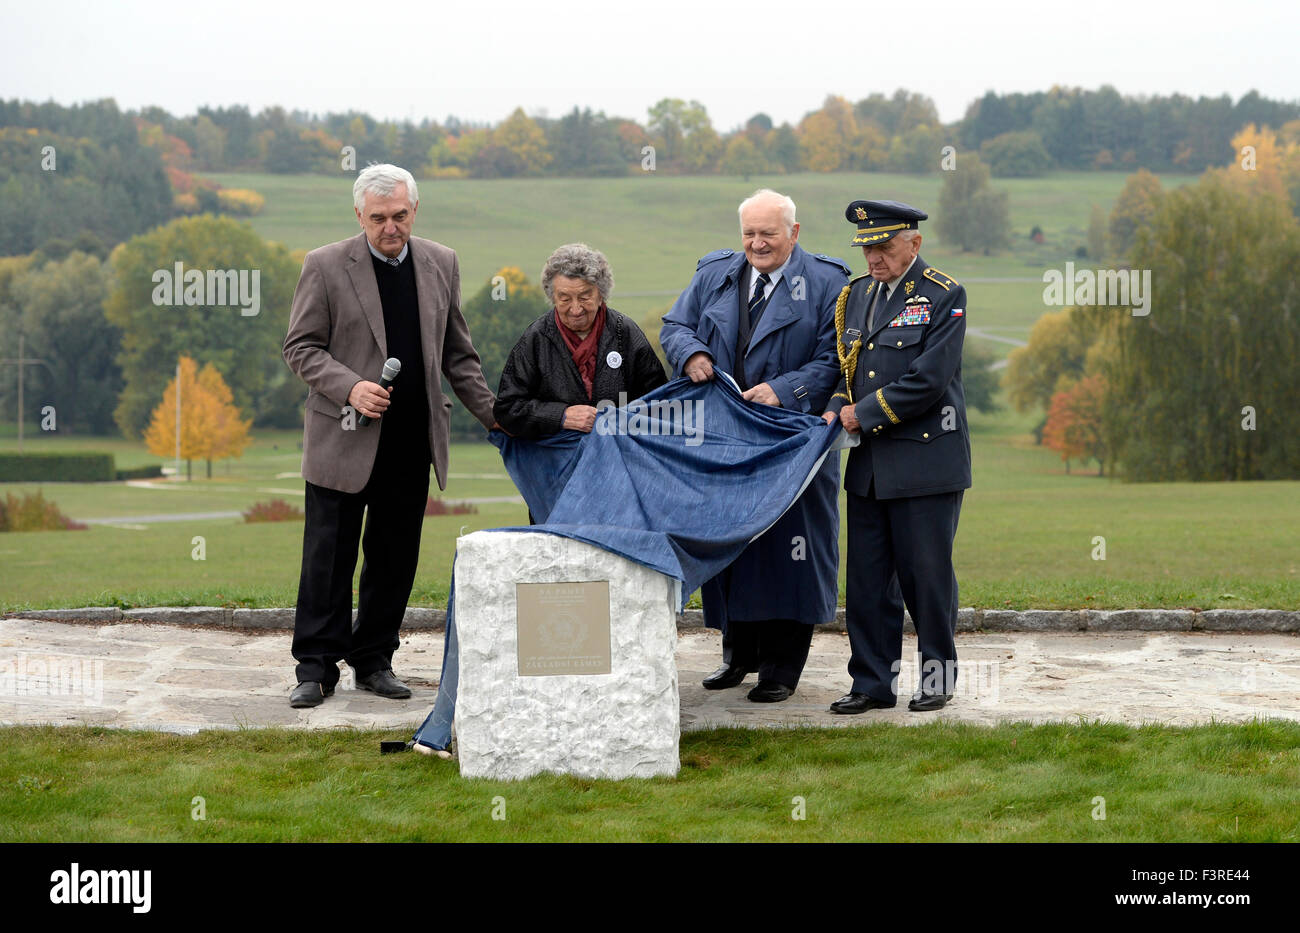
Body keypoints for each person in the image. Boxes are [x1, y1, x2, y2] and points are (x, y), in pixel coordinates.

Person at [282, 163, 496, 709]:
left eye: (399, 215)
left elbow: (457, 355)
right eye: (378, 218)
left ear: (414, 211)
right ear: (359, 215)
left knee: (394, 557)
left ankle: (374, 660)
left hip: (411, 439)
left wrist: (496, 418)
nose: (390, 227)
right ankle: (315, 667)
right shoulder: (325, 265)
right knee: (327, 557)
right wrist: (351, 388)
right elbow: (301, 348)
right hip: (343, 435)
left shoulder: (442, 263)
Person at [660, 189, 848, 703]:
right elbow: (674, 325)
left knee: (790, 552)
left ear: (795, 232)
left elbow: (836, 359)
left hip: (792, 443)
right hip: (725, 442)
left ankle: (781, 670)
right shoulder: (715, 273)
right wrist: (692, 353)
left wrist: (785, 391)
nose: (757, 243)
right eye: (749, 233)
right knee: (731, 546)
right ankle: (737, 656)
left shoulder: (831, 283)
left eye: (769, 233)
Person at [821, 199, 971, 714]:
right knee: (866, 583)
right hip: (869, 468)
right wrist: (836, 407)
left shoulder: (943, 295)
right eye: (867, 249)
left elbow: (928, 380)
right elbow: (849, 371)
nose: (873, 259)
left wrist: (862, 413)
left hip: (926, 464)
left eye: (883, 247)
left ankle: (937, 678)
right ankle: (871, 683)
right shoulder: (855, 296)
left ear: (914, 243)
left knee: (926, 579)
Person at [494, 243, 667, 438]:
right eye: (565, 299)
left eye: (585, 297)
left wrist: (620, 424)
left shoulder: (625, 332)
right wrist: (561, 416)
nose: (576, 309)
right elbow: (507, 409)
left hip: (618, 456)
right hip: (555, 461)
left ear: (601, 295)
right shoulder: (536, 338)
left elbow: (660, 403)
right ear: (552, 297)